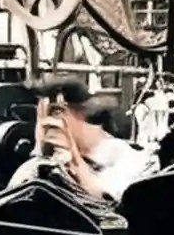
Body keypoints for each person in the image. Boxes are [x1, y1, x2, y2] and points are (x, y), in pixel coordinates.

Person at [8, 74, 156, 202]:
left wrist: (76, 163)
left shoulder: (125, 157)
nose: (45, 125)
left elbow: (110, 206)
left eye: (54, 112)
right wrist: (40, 153)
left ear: (79, 112)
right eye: (40, 117)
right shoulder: (42, 165)